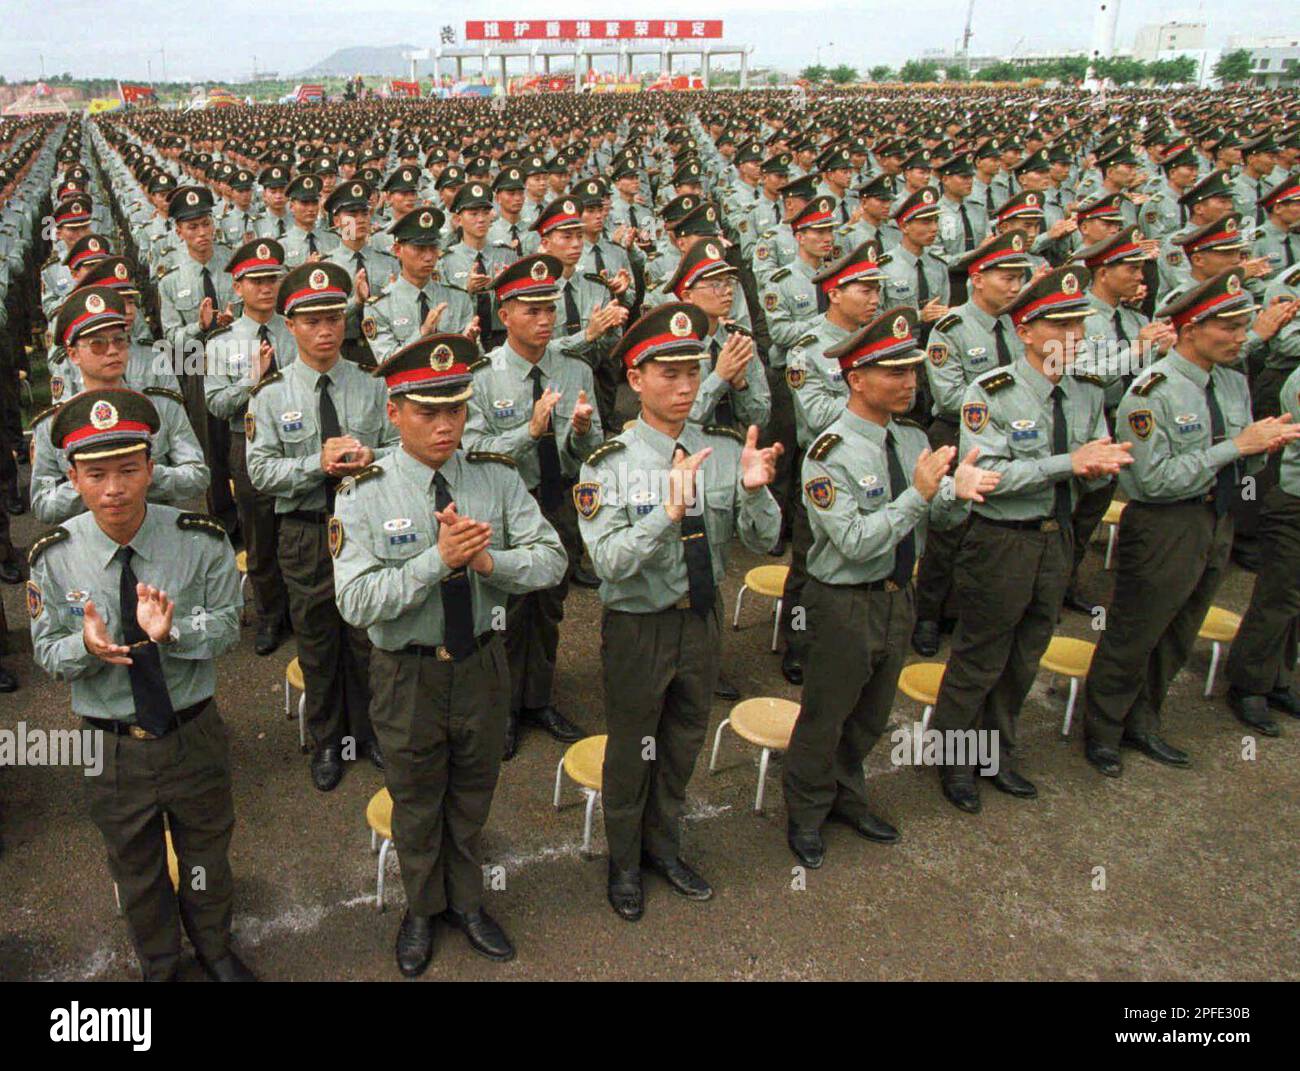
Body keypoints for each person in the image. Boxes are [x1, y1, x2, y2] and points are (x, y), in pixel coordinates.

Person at [333, 333, 565, 975]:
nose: (444, 426)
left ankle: (466, 901)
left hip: (484, 663)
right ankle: (420, 909)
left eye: (455, 411)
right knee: (415, 794)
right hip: (408, 672)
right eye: (427, 412)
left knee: (472, 789)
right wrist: (437, 562)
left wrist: (491, 561)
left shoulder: (495, 475)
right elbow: (354, 600)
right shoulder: (362, 492)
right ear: (394, 411)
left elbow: (552, 559)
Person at [28, 388, 252, 982]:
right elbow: (46, 652)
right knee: (136, 863)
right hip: (112, 744)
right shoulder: (55, 557)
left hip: (191, 731)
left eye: (129, 469)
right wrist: (86, 648)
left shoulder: (199, 537)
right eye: (96, 474)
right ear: (72, 477)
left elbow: (230, 626)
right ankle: (160, 962)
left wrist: (175, 631)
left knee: (206, 852)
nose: (114, 489)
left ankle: (214, 946)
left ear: (151, 468)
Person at [576, 302, 782, 921]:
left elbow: (765, 541)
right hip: (641, 627)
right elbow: (609, 564)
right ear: (636, 380)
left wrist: (756, 490)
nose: (687, 385)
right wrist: (665, 514)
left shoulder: (717, 447)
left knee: (683, 741)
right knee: (633, 746)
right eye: (669, 373)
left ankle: (663, 848)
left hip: (701, 619)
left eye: (694, 370)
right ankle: (624, 863)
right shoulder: (607, 465)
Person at [783, 307, 997, 868]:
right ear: (856, 379)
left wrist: (956, 495)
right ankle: (806, 813)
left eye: (913, 372)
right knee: (826, 714)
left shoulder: (910, 438)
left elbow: (936, 524)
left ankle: (846, 795)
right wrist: (921, 496)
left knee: (873, 713)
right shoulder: (827, 454)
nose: (909, 383)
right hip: (843, 603)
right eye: (895, 373)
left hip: (898, 596)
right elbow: (855, 541)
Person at [1082, 269, 1300, 777]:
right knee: (1136, 632)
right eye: (1229, 327)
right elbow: (1150, 482)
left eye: (1244, 326)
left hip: (1214, 517)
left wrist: (1253, 450)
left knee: (1181, 629)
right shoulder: (1151, 391)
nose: (1241, 337)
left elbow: (1245, 451)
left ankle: (1144, 720)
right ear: (1190, 329)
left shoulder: (1230, 380)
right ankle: (1104, 731)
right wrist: (1234, 449)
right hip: (1166, 525)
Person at [929, 266, 1130, 811]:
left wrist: (1103, 465)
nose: (1075, 337)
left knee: (1024, 658)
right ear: (1027, 331)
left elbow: (1098, 453)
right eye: (1060, 326)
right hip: (1002, 541)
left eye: (1079, 326)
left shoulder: (1086, 393)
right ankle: (954, 761)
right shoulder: (990, 392)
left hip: (1055, 538)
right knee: (980, 657)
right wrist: (1072, 462)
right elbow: (988, 479)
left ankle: (996, 753)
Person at [247, 262, 398, 790]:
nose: (326, 329)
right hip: (307, 529)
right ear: (290, 326)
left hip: (364, 527)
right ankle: (329, 740)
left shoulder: (370, 384)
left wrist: (371, 456)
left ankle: (370, 732)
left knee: (367, 636)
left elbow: (403, 449)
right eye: (311, 321)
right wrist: (317, 463)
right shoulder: (271, 396)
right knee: (316, 637)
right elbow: (260, 471)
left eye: (334, 316)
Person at [463, 254, 603, 758]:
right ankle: (501, 710)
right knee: (504, 612)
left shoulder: (574, 368)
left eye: (550, 308)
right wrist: (530, 432)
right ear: (505, 314)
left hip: (557, 500)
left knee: (548, 606)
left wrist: (580, 435)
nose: (544, 320)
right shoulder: (482, 376)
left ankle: (538, 698)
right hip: (504, 507)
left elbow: (595, 453)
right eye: (531, 310)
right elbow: (475, 452)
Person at [913, 229, 1033, 655]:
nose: (1016, 285)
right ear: (978, 278)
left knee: (988, 528)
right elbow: (948, 396)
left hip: (1008, 436)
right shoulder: (952, 327)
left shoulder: (1022, 327)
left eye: (1020, 277)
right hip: (958, 434)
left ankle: (963, 607)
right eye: (1007, 277)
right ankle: (927, 614)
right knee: (947, 530)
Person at [32, 287, 208, 525]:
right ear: (73, 354)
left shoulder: (161, 407)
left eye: (119, 340)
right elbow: (43, 504)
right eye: (97, 344)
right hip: (89, 543)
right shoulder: (54, 424)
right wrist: (91, 482)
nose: (112, 351)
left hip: (156, 529)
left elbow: (197, 474)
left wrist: (145, 474)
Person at [203, 238, 295, 654]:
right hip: (250, 441)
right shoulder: (222, 344)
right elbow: (216, 403)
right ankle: (270, 616)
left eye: (272, 279)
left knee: (302, 528)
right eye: (255, 281)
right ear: (237, 288)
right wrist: (250, 381)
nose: (266, 288)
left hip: (298, 441)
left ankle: (303, 608)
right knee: (259, 536)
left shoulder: (295, 328)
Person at [1224, 361, 1300, 735]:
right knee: (1278, 596)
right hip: (1293, 505)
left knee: (1295, 602)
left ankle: (1278, 680)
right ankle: (1249, 685)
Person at [364, 205, 476, 362]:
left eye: (433, 247)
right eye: (420, 248)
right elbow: (386, 361)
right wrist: (422, 333)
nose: (429, 257)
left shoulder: (459, 298)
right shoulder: (379, 306)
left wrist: (468, 344)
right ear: (397, 250)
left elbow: (475, 359)